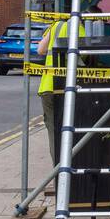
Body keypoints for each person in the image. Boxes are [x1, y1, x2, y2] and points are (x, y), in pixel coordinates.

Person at [36, 16, 86, 170]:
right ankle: (72, 168)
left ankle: (57, 171)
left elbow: (40, 50)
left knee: (54, 131)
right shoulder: (80, 27)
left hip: (48, 86)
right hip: (68, 87)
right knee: (72, 128)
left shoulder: (56, 26)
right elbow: (86, 55)